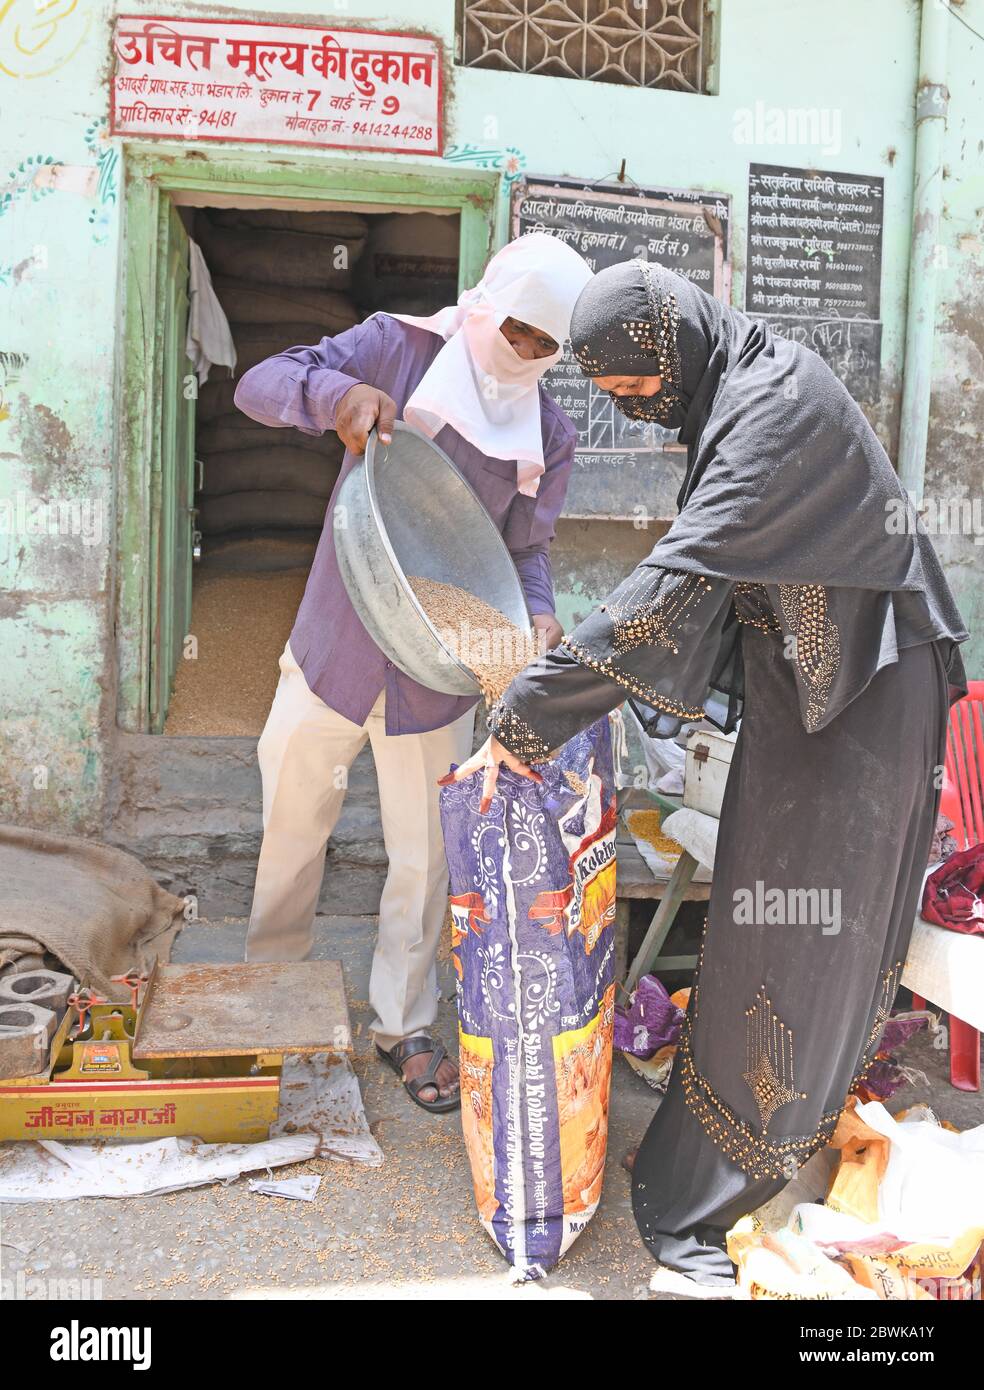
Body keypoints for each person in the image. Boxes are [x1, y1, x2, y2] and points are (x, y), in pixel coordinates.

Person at [446, 258, 969, 1284]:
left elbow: (679, 583)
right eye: (615, 401)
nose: (640, 412)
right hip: (809, 696)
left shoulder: (771, 410)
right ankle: (723, 1137)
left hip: (867, 706)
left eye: (639, 392)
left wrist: (531, 709)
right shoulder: (736, 387)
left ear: (671, 346)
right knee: (755, 916)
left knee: (806, 938)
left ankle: (748, 1161)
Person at [235, 233, 592, 1114]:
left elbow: (526, 551)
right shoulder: (398, 349)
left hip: (440, 671)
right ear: (488, 301)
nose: (530, 355)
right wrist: (335, 396)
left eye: (550, 347)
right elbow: (257, 385)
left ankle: (403, 1024)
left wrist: (534, 613)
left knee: (426, 859)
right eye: (521, 332)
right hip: (337, 648)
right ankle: (268, 1003)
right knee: (290, 827)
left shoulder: (547, 430)